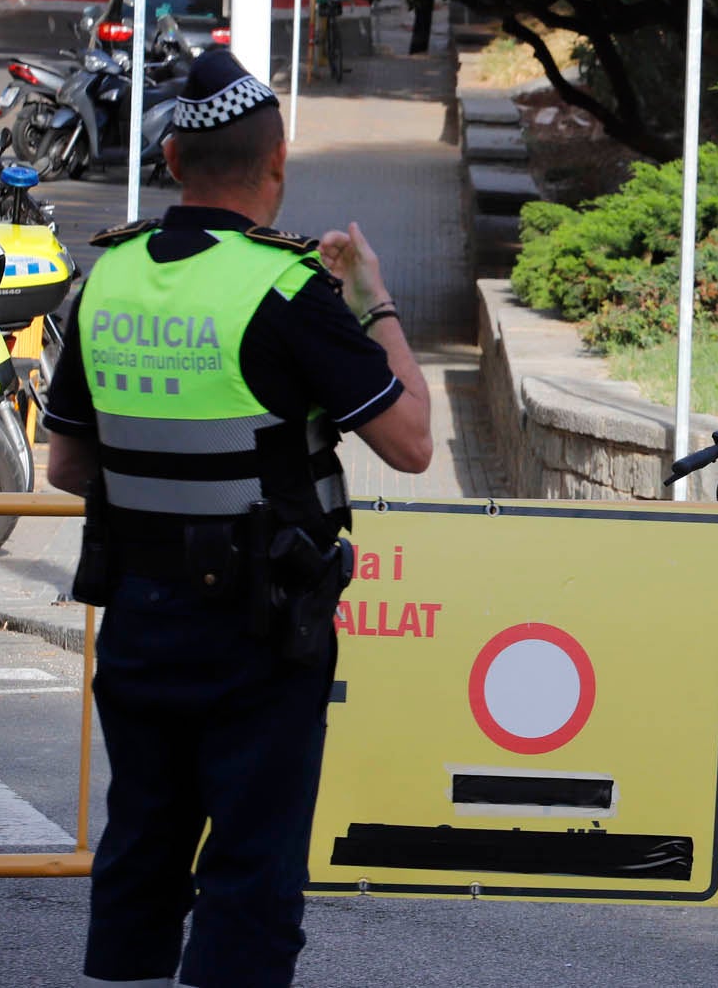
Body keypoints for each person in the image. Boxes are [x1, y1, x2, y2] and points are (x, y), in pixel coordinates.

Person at [43, 48, 433, 987]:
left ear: (173, 162)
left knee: (141, 848)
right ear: (279, 161)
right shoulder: (290, 290)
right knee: (251, 872)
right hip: (261, 632)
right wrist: (373, 299)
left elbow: (65, 464)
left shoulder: (108, 278)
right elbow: (413, 440)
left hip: (138, 616)